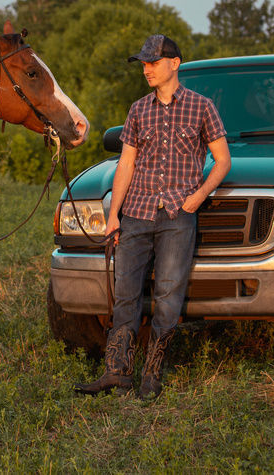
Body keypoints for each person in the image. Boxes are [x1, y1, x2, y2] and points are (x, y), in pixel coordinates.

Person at [74, 34, 231, 400]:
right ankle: (118, 372)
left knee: (168, 294)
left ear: (174, 64)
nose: (146, 69)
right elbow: (126, 164)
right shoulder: (138, 110)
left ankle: (152, 375)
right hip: (136, 214)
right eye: (143, 63)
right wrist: (114, 214)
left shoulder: (202, 107)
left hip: (178, 215)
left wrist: (197, 197)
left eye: (153, 62)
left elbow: (222, 160)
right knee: (126, 294)